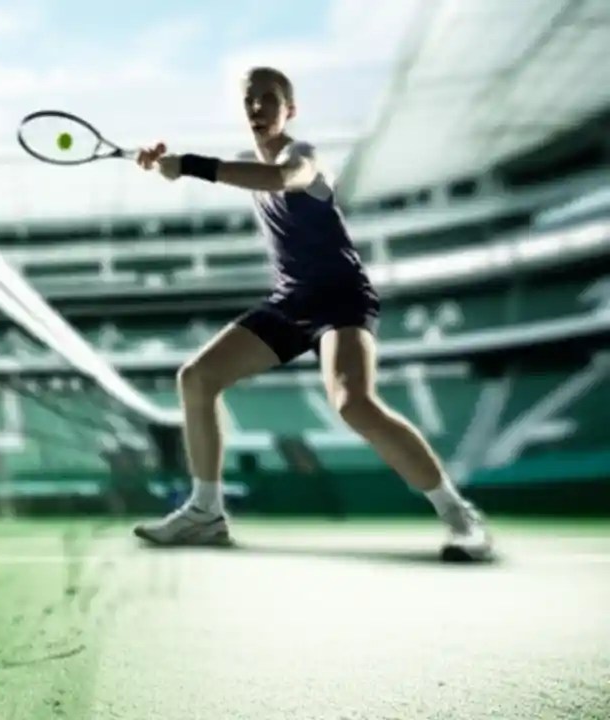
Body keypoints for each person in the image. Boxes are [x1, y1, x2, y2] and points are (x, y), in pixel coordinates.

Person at [131, 66, 493, 562]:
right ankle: (206, 512)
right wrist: (159, 161)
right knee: (197, 378)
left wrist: (190, 164)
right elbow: (236, 173)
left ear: (290, 109)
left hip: (341, 296)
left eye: (268, 99)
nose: (257, 108)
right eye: (249, 101)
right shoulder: (243, 164)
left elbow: (283, 179)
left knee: (353, 404)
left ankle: (461, 517)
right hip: (291, 300)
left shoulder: (303, 157)